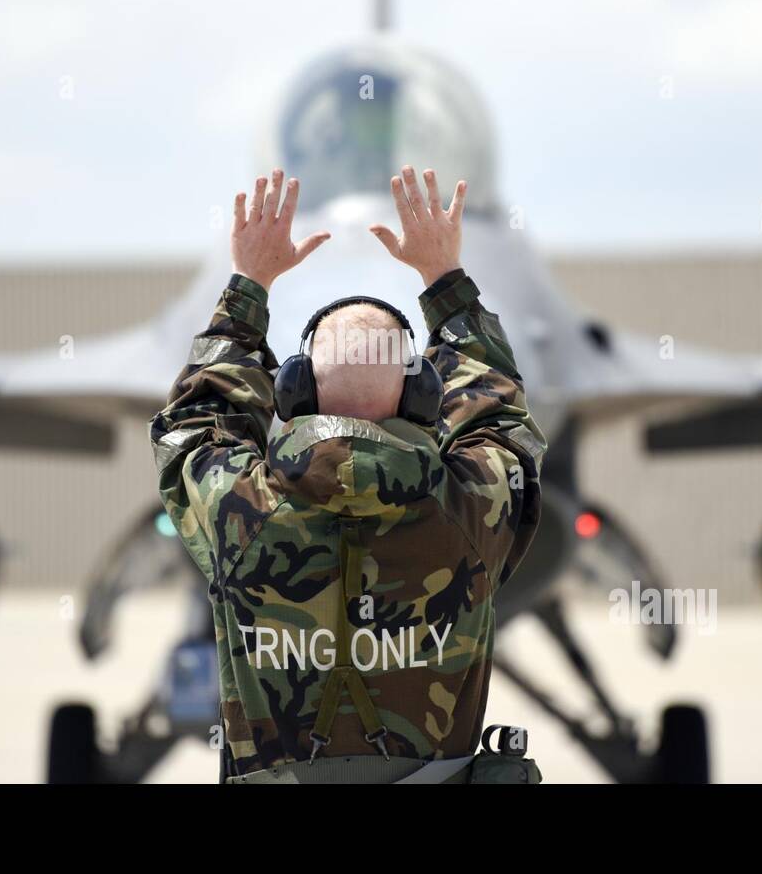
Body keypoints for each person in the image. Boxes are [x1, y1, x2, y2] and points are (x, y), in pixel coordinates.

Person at [149, 165, 546, 783]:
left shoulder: (238, 509)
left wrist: (249, 284)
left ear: (296, 392)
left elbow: (197, 419)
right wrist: (445, 281)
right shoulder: (475, 506)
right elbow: (497, 412)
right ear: (421, 396)